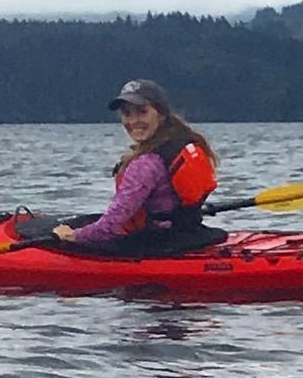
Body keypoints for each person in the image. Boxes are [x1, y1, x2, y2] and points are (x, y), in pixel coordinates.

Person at [52, 78, 220, 251]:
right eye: (127, 114)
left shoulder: (146, 164)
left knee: (71, 230)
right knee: (80, 221)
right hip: (186, 233)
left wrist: (74, 236)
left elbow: (110, 227)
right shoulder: (181, 143)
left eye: (142, 112)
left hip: (156, 244)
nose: (133, 121)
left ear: (160, 113)